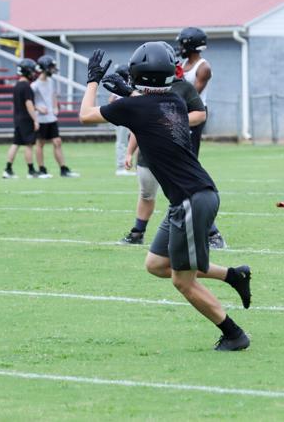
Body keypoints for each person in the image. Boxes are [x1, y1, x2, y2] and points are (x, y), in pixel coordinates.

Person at [80, 43, 252, 351]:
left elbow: (85, 115)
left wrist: (93, 80)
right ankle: (233, 275)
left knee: (182, 280)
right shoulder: (174, 100)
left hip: (191, 199)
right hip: (193, 196)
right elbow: (149, 106)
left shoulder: (135, 107)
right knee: (157, 264)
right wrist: (129, 92)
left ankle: (234, 334)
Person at [119, 50, 207, 245]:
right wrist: (129, 152)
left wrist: (169, 121)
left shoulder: (182, 87)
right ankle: (137, 233)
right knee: (146, 194)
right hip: (148, 154)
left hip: (174, 153)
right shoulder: (143, 90)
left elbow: (200, 114)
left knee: (187, 194)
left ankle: (212, 234)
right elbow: (137, 124)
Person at [176, 27, 226, 249]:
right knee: (179, 171)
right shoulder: (183, 64)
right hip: (179, 115)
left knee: (187, 169)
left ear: (190, 44)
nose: (179, 48)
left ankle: (211, 231)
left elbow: (190, 95)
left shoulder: (203, 67)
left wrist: (175, 78)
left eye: (182, 44)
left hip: (194, 116)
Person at [31, 55, 80, 178]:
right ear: (45, 68)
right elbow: (29, 102)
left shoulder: (51, 82)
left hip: (51, 118)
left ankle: (63, 169)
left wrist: (55, 107)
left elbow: (53, 95)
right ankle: (42, 169)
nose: (53, 70)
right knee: (40, 143)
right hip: (41, 119)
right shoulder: (34, 85)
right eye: (51, 67)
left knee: (57, 142)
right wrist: (38, 108)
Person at [2, 58, 41, 179]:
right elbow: (28, 104)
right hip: (26, 119)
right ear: (27, 71)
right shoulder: (26, 86)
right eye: (32, 71)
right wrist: (35, 119)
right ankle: (31, 171)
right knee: (29, 145)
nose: (33, 73)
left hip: (18, 119)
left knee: (16, 144)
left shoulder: (17, 85)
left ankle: (7, 169)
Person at [110, 64, 136, 177]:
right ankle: (121, 167)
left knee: (130, 141)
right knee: (122, 142)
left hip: (129, 116)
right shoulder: (120, 85)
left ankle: (131, 166)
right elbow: (111, 100)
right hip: (122, 116)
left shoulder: (127, 85)